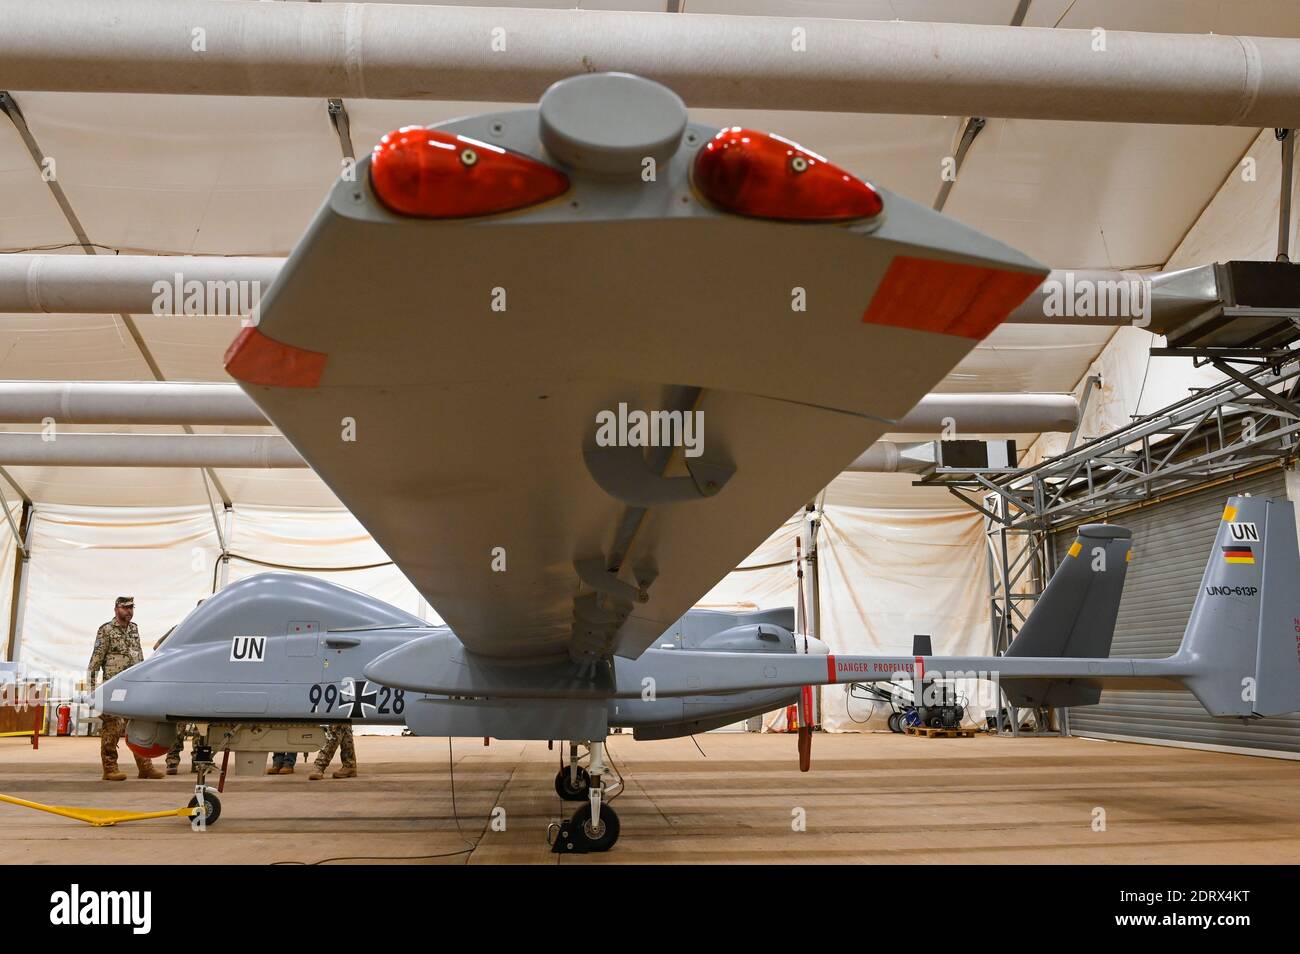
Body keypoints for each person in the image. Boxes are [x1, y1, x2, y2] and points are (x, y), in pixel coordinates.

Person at [87, 596, 163, 781]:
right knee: (113, 727)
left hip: (134, 688)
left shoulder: (134, 629)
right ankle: (110, 768)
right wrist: (92, 691)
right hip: (113, 688)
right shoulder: (106, 630)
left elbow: (139, 657)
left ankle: (145, 767)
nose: (129, 611)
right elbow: (95, 662)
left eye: (131, 608)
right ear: (116, 609)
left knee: (139, 726)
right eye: (125, 608)